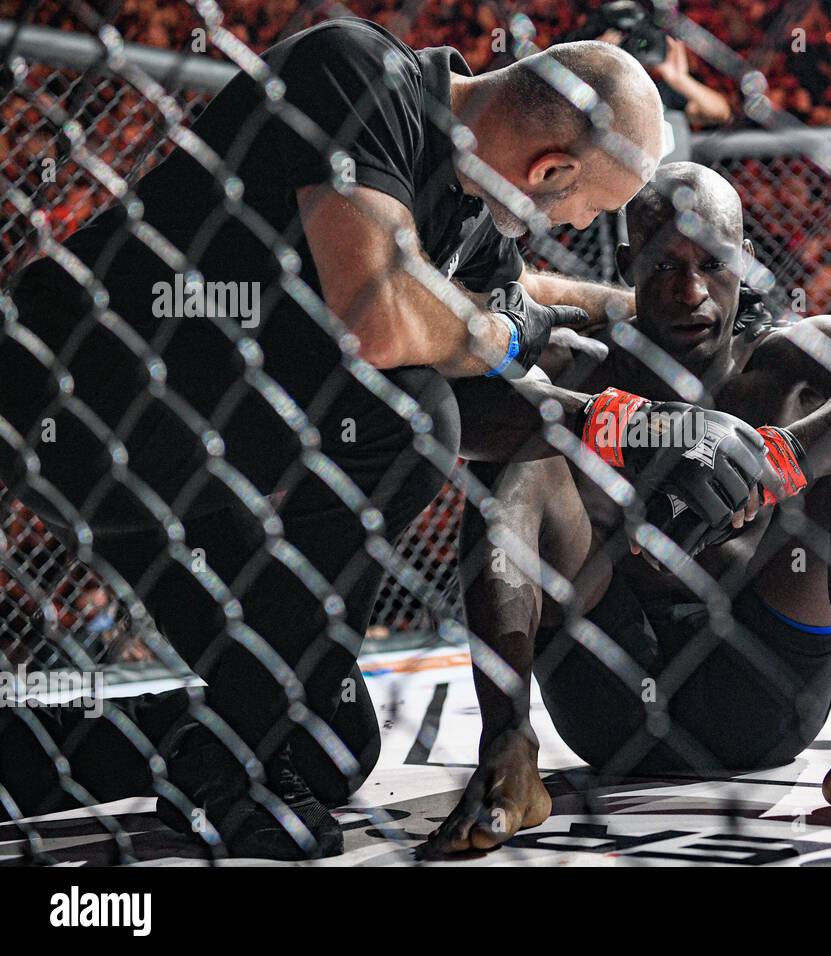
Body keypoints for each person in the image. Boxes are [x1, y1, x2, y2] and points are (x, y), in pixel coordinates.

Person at [0, 16, 670, 860]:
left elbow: (503, 306)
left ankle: (118, 750)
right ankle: (225, 762)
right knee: (414, 414)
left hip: (185, 472)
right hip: (80, 388)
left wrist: (622, 311)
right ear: (551, 170)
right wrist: (505, 336)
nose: (572, 225)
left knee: (327, 739)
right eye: (585, 208)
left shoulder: (471, 213)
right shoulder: (361, 74)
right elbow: (383, 318)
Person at [426, 161, 831, 855]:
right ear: (628, 265)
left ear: (743, 261)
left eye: (711, 263)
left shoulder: (787, 364)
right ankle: (507, 746)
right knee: (522, 450)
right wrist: (612, 425)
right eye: (662, 264)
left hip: (768, 688)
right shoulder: (586, 368)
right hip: (606, 695)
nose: (689, 292)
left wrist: (781, 458)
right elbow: (446, 411)